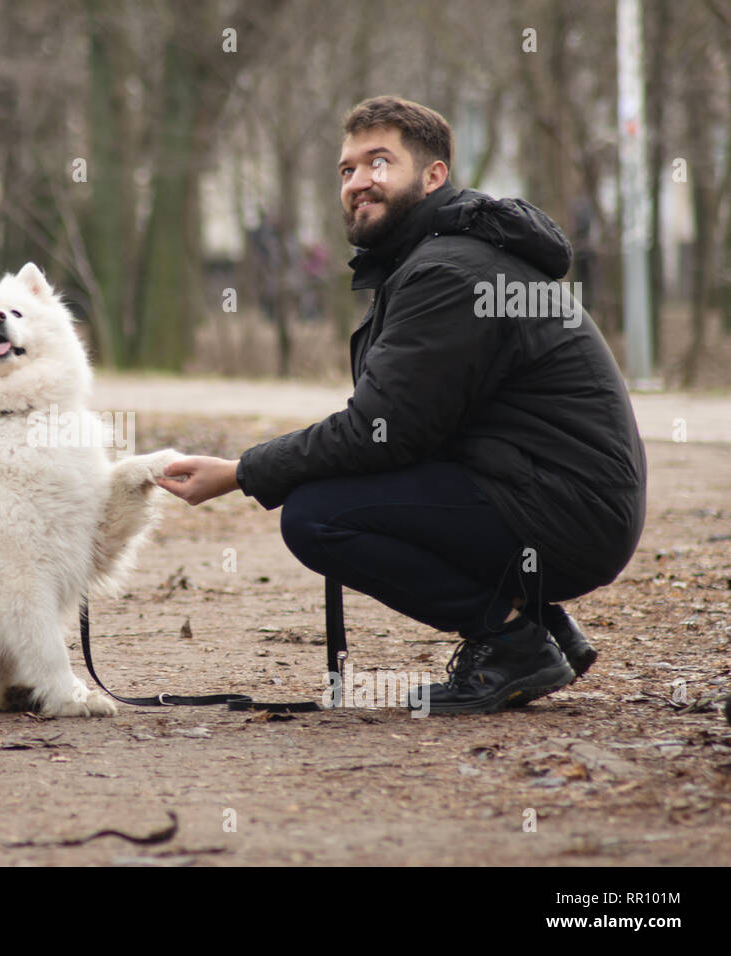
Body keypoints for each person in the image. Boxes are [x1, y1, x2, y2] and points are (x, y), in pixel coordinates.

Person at [155, 96, 647, 715]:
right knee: (350, 489)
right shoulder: (437, 261)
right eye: (347, 170)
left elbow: (378, 434)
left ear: (433, 175)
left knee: (317, 515)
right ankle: (540, 622)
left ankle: (512, 640)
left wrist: (241, 472)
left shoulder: (449, 272)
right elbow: (406, 426)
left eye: (378, 163)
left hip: (565, 514)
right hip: (561, 503)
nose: (358, 182)